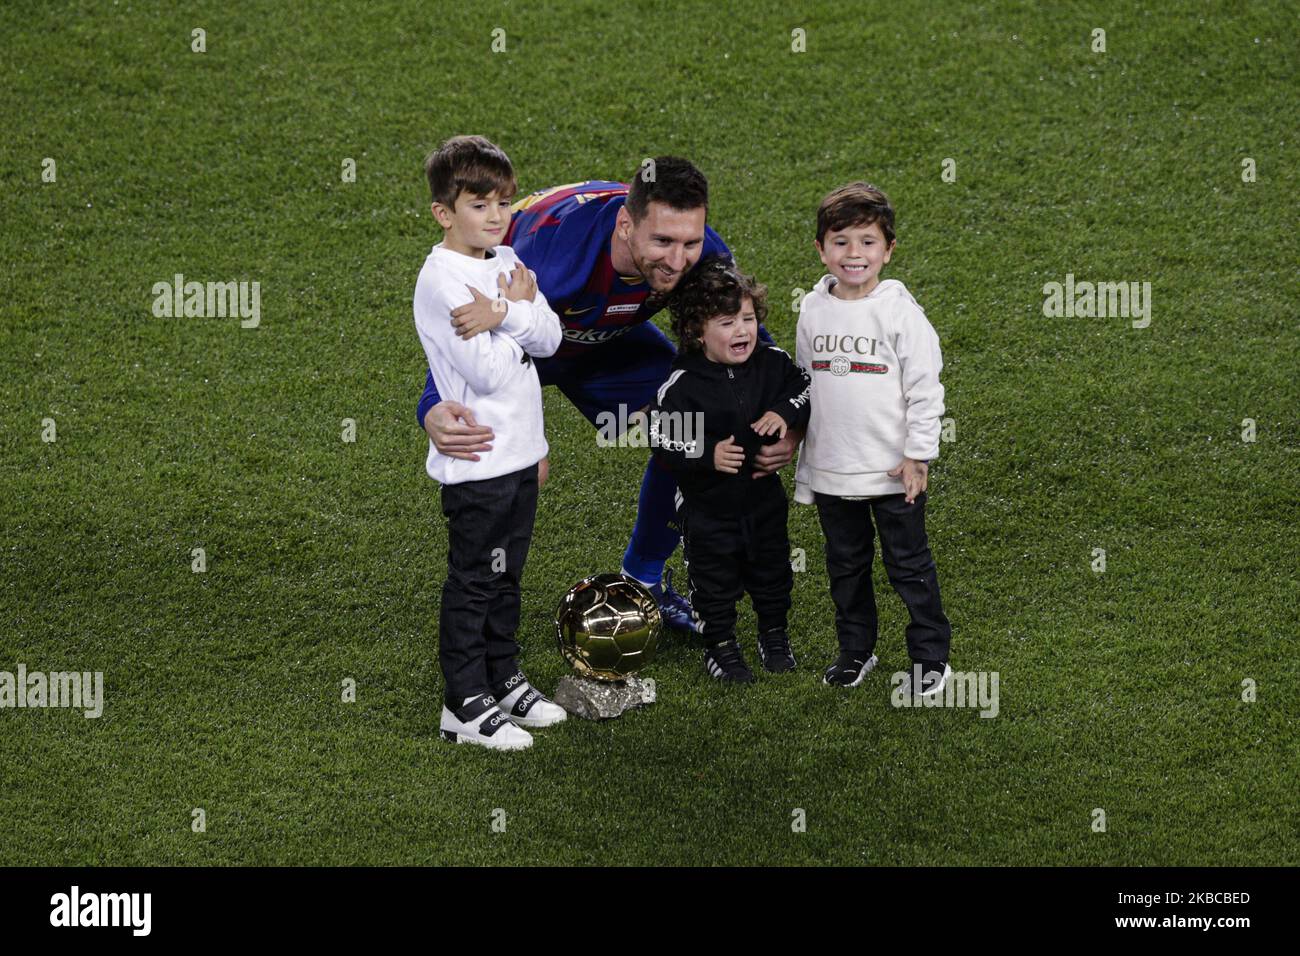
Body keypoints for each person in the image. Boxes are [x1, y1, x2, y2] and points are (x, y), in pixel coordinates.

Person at [413, 159, 799, 631]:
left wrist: (787, 417)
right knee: (498, 474)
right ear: (625, 225)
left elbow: (752, 349)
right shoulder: (548, 261)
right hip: (525, 346)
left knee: (699, 428)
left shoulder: (703, 256)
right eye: (662, 243)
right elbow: (466, 333)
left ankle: (643, 582)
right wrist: (431, 406)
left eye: (690, 243)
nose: (678, 262)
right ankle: (483, 632)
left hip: (610, 344)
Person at [414, 135, 568, 750]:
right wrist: (520, 314)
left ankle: (503, 677)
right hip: (476, 462)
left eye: (502, 201)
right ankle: (464, 702)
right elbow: (492, 374)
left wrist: (504, 312)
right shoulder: (440, 280)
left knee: (509, 576)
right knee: (474, 579)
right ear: (444, 212)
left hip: (520, 456)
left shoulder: (505, 265)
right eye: (480, 204)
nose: (497, 215)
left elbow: (552, 341)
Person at [794, 182, 953, 697]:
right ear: (820, 248)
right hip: (833, 472)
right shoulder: (812, 310)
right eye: (841, 241)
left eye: (867, 242)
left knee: (908, 566)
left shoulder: (900, 313)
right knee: (845, 567)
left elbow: (926, 390)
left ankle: (931, 657)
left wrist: (918, 456)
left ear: (888, 250)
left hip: (891, 472)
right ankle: (855, 651)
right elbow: (804, 384)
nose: (854, 254)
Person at [651, 260, 811, 682]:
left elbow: (805, 388)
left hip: (763, 501)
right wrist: (708, 453)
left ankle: (774, 636)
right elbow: (661, 436)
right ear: (697, 331)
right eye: (727, 322)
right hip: (707, 510)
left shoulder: (771, 363)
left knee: (773, 572)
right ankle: (720, 646)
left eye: (748, 318)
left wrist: (783, 414)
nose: (742, 330)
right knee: (713, 582)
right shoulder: (683, 384)